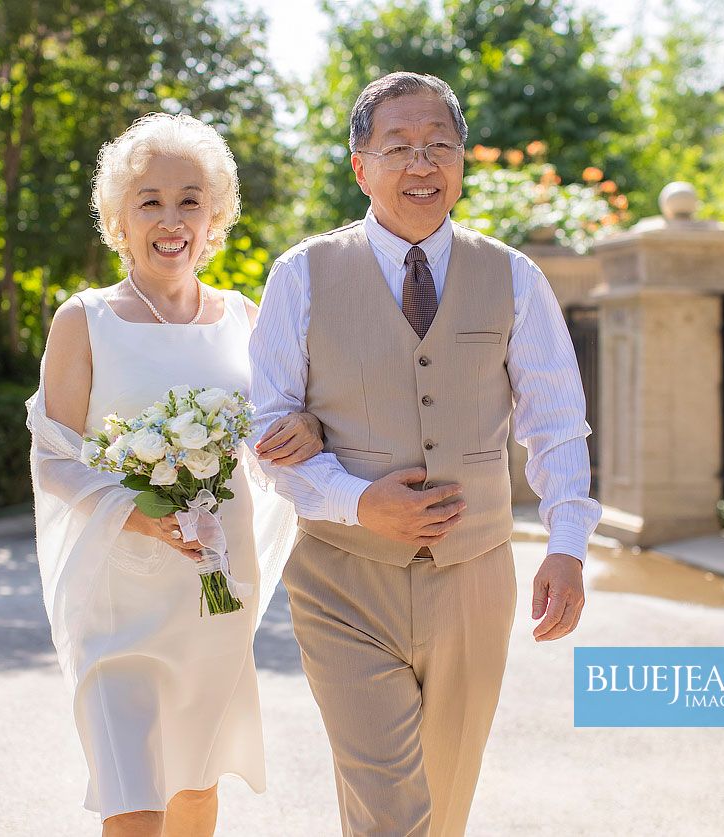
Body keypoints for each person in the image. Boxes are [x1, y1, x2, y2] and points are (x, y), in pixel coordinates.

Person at [249, 72, 603, 836]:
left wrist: (567, 546)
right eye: (399, 146)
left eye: (439, 145)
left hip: (473, 578)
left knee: (443, 805)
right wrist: (356, 500)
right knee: (390, 808)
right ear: (359, 167)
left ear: (463, 161)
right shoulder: (299, 275)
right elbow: (269, 429)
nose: (421, 165)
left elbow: (556, 423)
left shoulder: (514, 276)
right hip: (341, 580)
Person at [25, 112, 320, 837]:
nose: (170, 217)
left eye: (189, 198)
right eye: (149, 200)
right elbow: (52, 457)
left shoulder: (244, 319)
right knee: (133, 795)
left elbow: (278, 433)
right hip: (119, 595)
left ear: (214, 213)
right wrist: (138, 513)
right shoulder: (84, 319)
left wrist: (304, 429)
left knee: (193, 784)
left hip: (213, 596)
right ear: (118, 219)